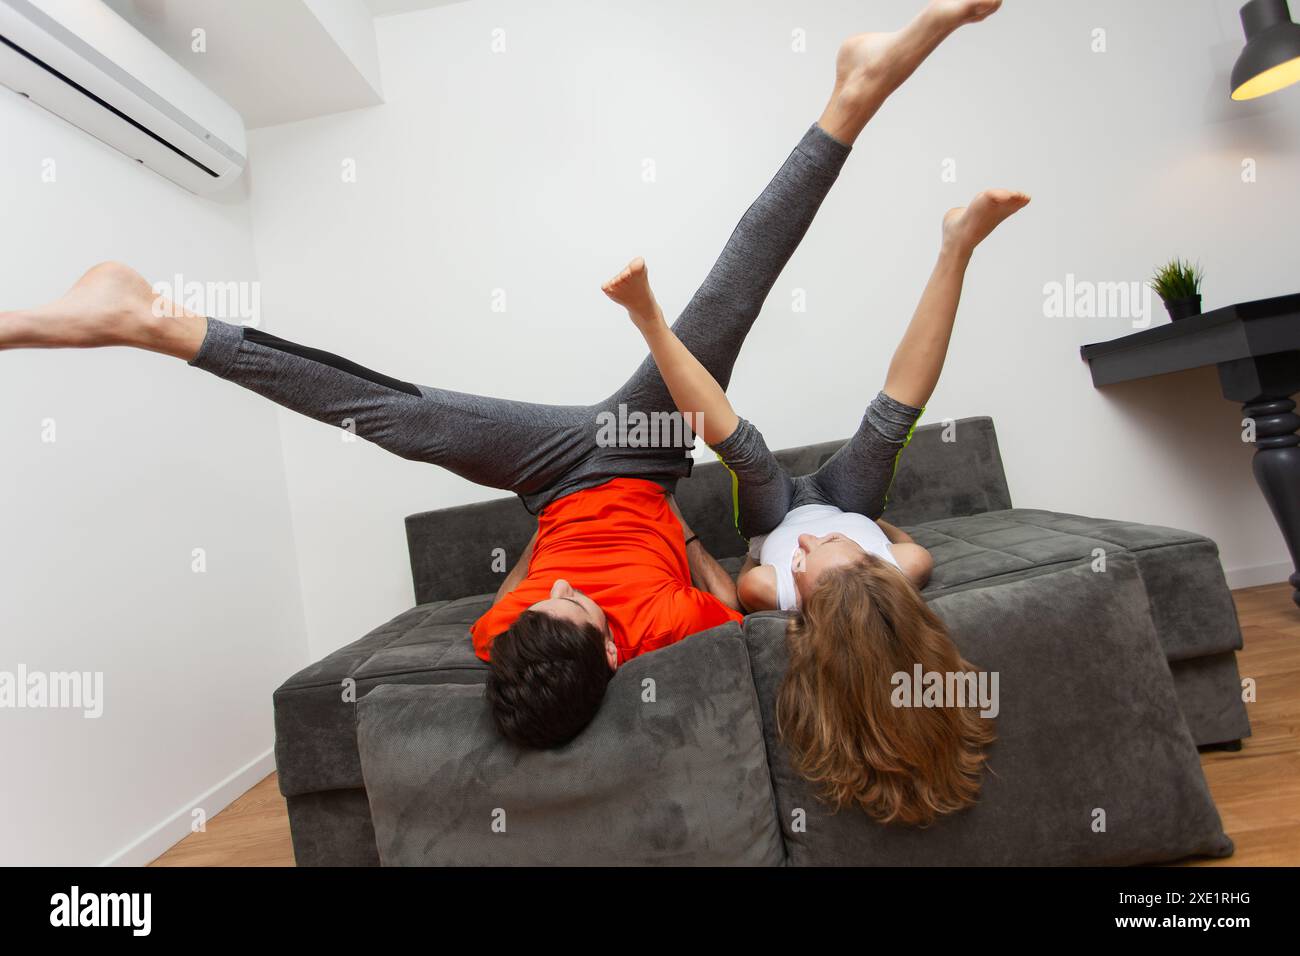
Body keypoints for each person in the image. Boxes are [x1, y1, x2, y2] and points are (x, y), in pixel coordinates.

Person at [0, 0, 1006, 752]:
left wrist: (548, 551)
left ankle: (149, 318)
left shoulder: (504, 631)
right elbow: (720, 586)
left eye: (544, 604)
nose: (561, 591)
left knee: (391, 416)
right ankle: (851, 96)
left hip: (543, 477)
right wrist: (676, 524)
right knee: (717, 317)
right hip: (632, 457)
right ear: (613, 652)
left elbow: (531, 570)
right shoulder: (662, 626)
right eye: (576, 608)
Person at [605, 184, 1028, 824]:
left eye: (801, 566)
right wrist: (862, 520)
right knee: (891, 424)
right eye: (821, 553)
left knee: (742, 448)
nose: (803, 551)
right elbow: (911, 548)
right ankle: (958, 244)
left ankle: (650, 321)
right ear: (875, 568)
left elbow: (755, 566)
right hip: (850, 503)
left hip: (771, 512)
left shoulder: (767, 593)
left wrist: (791, 542)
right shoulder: (901, 571)